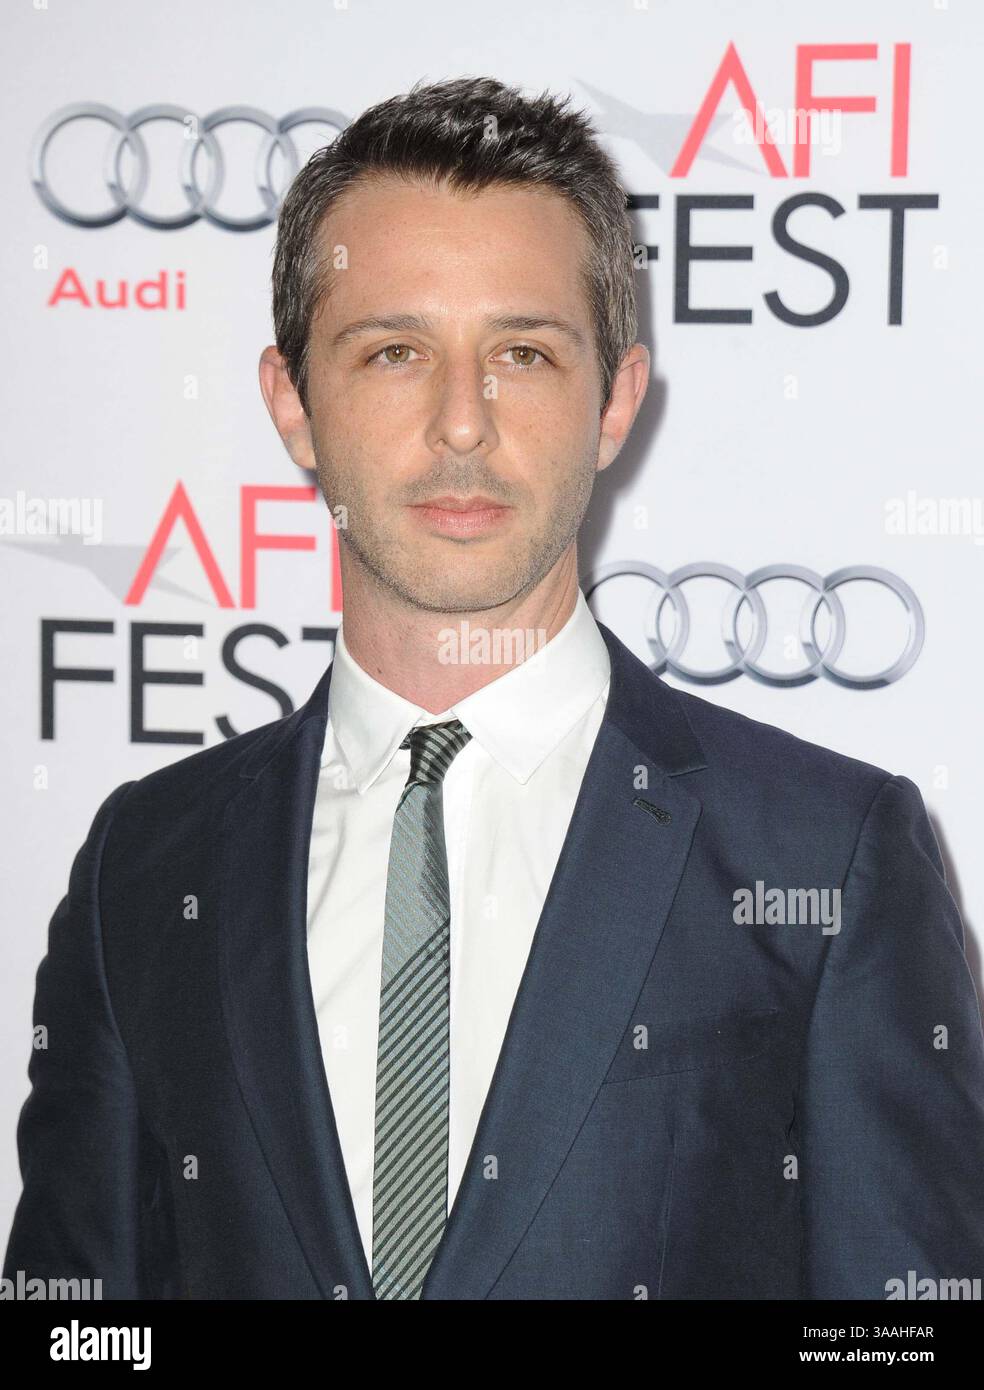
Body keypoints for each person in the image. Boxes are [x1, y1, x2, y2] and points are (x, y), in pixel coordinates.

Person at [5, 75, 984, 1301]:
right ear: (293, 403)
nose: (461, 423)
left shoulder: (824, 857)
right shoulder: (145, 866)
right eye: (395, 351)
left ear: (616, 399)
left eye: (522, 353)